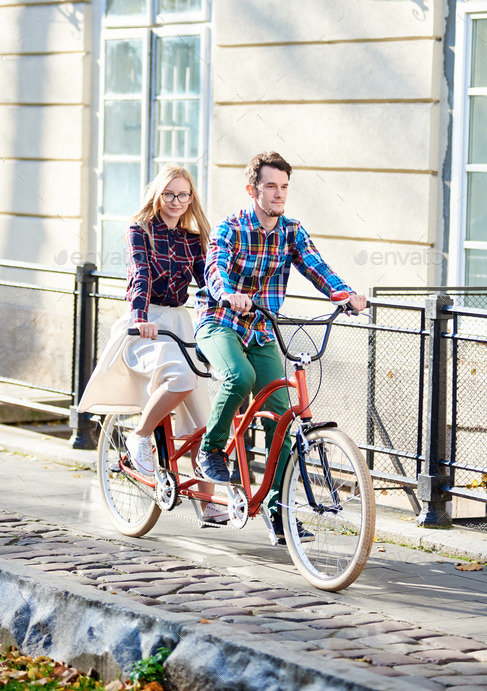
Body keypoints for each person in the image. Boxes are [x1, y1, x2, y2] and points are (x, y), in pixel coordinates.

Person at [193, 151, 367, 543]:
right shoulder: (231, 227)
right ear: (252, 189)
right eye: (271, 186)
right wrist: (228, 294)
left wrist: (345, 295)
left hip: (262, 331)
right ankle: (211, 450)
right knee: (240, 377)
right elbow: (215, 268)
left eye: (284, 187)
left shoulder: (291, 230)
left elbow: (316, 265)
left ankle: (278, 512)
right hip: (220, 322)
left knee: (284, 418)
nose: (279, 194)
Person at [78, 163, 227, 523]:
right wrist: (140, 316)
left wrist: (227, 309)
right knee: (182, 378)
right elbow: (140, 274)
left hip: (180, 322)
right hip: (147, 321)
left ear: (192, 198)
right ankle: (140, 435)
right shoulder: (139, 230)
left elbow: (209, 283)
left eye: (184, 194)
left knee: (203, 420)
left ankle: (206, 503)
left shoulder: (193, 239)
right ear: (157, 195)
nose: (176, 201)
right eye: (169, 194)